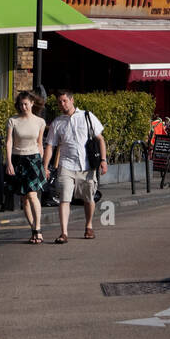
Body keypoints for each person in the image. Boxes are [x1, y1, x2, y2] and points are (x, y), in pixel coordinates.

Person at [42, 89, 107, 244]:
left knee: (89, 198)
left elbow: (100, 139)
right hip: (66, 165)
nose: (62, 104)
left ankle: (89, 226)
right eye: (59, 102)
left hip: (86, 166)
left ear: (72, 100)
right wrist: (45, 167)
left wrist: (103, 160)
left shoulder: (87, 116)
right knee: (64, 199)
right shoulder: (57, 122)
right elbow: (50, 146)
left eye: (64, 101)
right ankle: (64, 233)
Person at [5, 91, 47, 243]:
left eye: (26, 104)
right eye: (21, 104)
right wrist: (8, 162)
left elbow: (40, 143)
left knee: (32, 194)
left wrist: (42, 163)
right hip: (17, 159)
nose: (23, 107)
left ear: (32, 103)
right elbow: (9, 142)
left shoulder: (40, 122)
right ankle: (33, 229)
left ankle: (38, 229)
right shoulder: (13, 121)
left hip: (34, 159)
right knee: (24, 199)